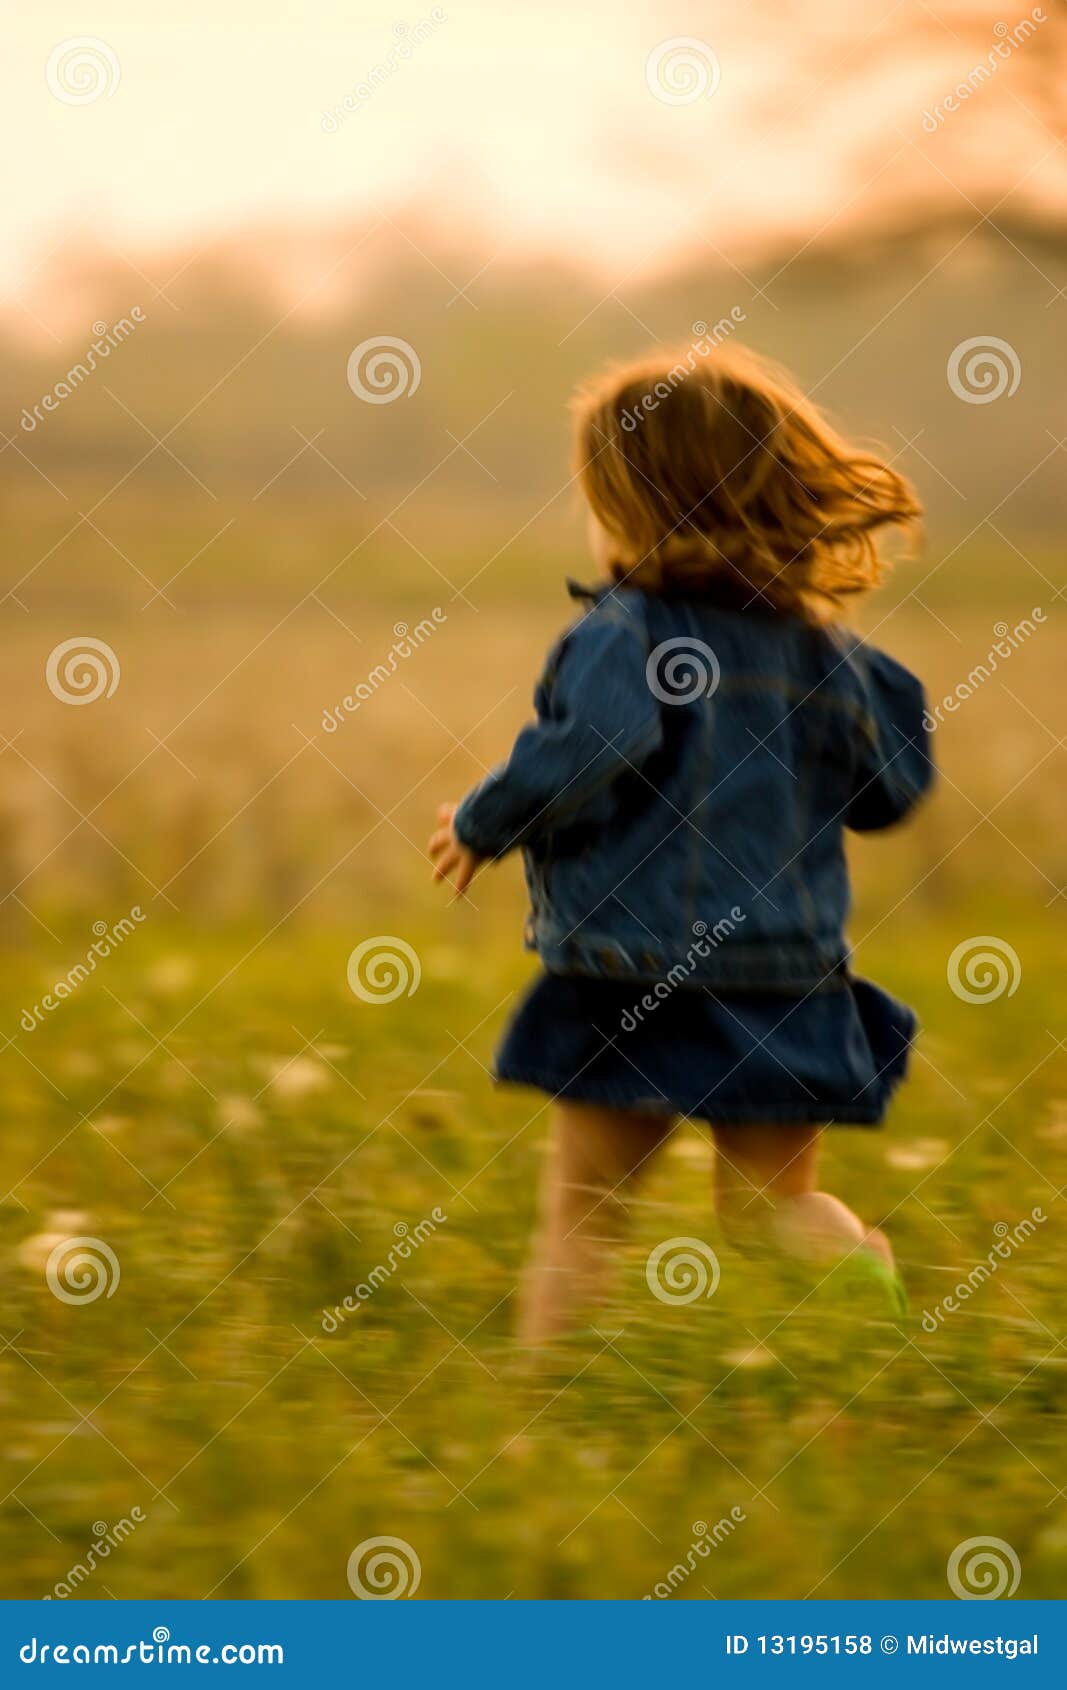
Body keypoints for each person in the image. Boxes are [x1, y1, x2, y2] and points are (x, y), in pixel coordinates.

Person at [428, 342, 934, 1342]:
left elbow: (592, 745)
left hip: (628, 974)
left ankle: (547, 1403)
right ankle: (850, 1274)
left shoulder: (625, 633)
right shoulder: (827, 653)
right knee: (766, 1207)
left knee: (584, 1212)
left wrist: (484, 822)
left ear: (630, 506)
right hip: (783, 976)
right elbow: (890, 789)